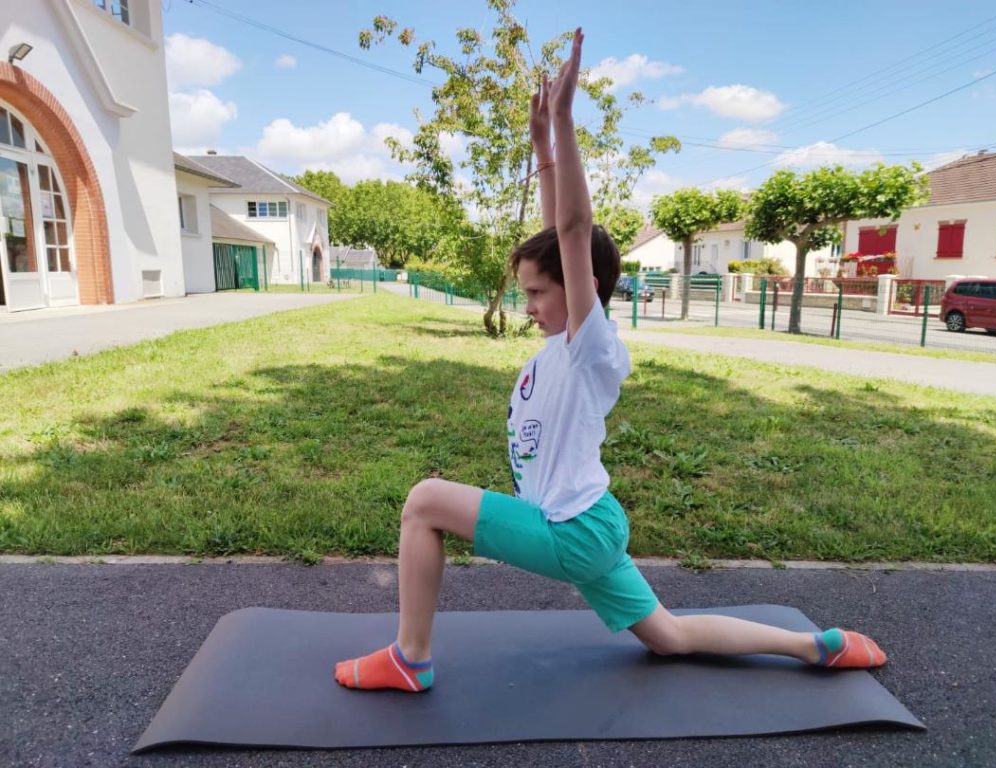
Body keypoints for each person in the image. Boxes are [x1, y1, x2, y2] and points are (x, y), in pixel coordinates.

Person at [334, 28, 886, 693]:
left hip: (570, 530)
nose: (529, 304)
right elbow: (558, 236)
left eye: (537, 292)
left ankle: (409, 658)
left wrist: (565, 122)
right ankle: (813, 647)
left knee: (424, 501)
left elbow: (573, 233)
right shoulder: (563, 343)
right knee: (670, 637)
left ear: (584, 291)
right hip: (592, 523)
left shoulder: (592, 345)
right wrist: (541, 152)